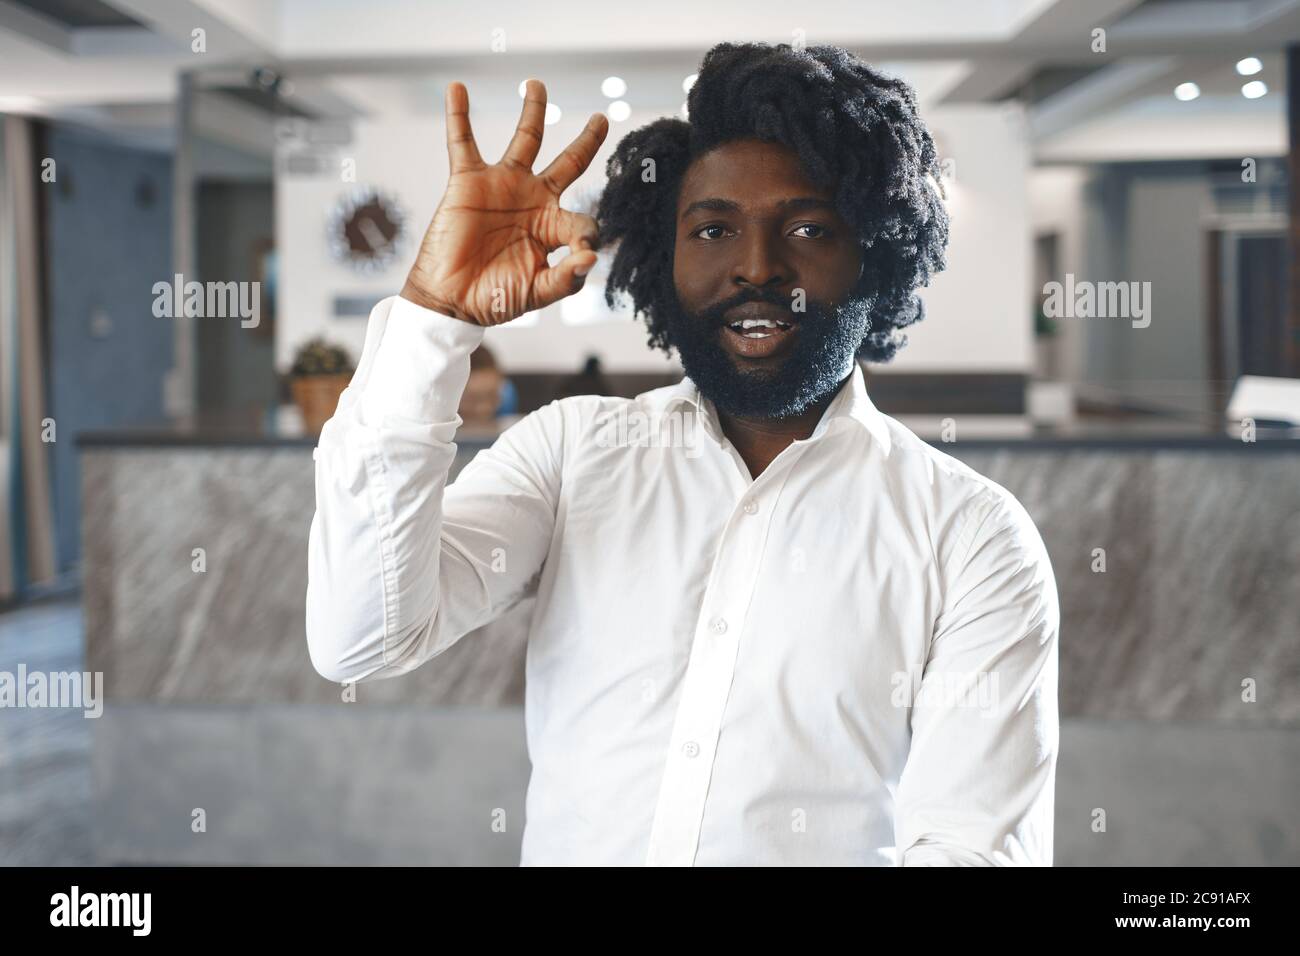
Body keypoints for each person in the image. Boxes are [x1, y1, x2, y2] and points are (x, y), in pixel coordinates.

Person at [306, 41, 1060, 866]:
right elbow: (363, 638)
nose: (757, 267)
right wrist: (431, 319)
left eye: (808, 227)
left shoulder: (973, 535)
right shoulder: (571, 453)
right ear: (666, 261)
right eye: (713, 229)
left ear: (873, 254)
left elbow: (970, 849)